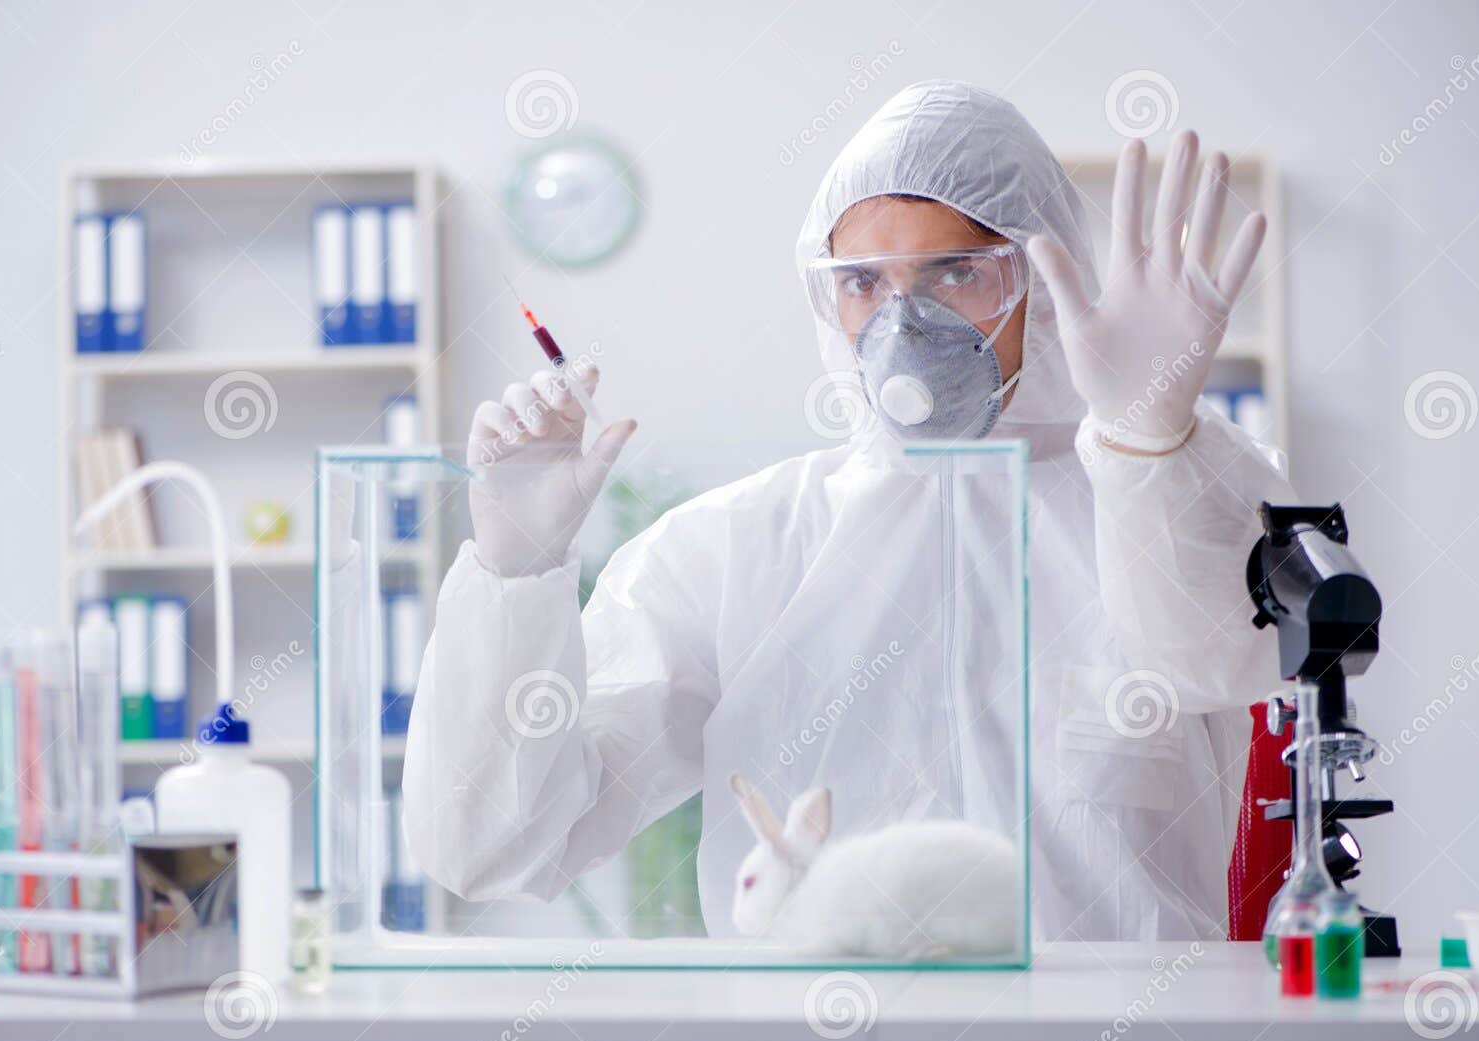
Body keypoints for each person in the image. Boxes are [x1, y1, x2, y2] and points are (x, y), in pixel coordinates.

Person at [403, 80, 1294, 942]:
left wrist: (1152, 440)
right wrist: (514, 574)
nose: (904, 321)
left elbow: (1231, 664)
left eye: (955, 273)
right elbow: (495, 847)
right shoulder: (736, 549)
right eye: (864, 281)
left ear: (1042, 278)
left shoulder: (1152, 488)